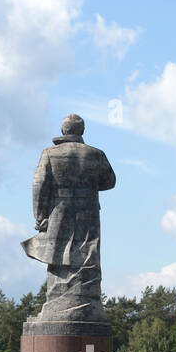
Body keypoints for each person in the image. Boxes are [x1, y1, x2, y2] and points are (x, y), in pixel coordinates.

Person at [21, 114, 116, 325]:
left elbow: (39, 186)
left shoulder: (50, 154)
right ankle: (86, 304)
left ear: (64, 131)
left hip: (59, 213)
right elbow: (109, 181)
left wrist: (40, 217)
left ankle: (58, 306)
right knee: (86, 255)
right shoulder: (95, 155)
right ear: (82, 131)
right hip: (88, 213)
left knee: (59, 256)